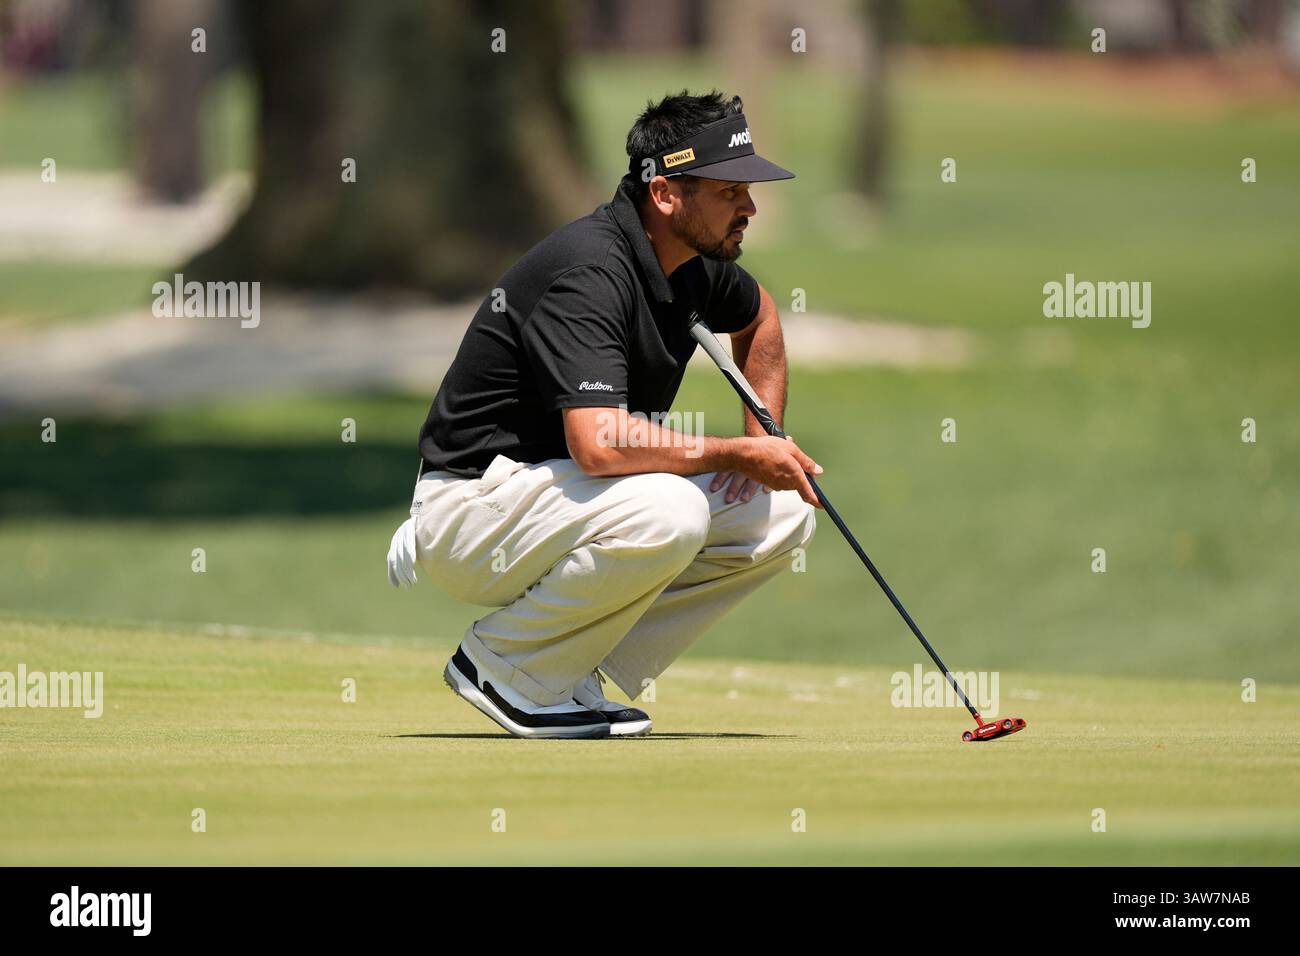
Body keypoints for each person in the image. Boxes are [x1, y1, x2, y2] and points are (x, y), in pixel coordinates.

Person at [386, 90, 821, 739]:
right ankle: (504, 665)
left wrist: (760, 442)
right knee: (674, 512)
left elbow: (760, 319)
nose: (750, 207)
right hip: (472, 509)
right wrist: (733, 453)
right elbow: (598, 444)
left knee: (780, 512)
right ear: (668, 194)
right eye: (730, 191)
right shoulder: (591, 269)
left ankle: (566, 666)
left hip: (561, 500)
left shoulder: (692, 264)